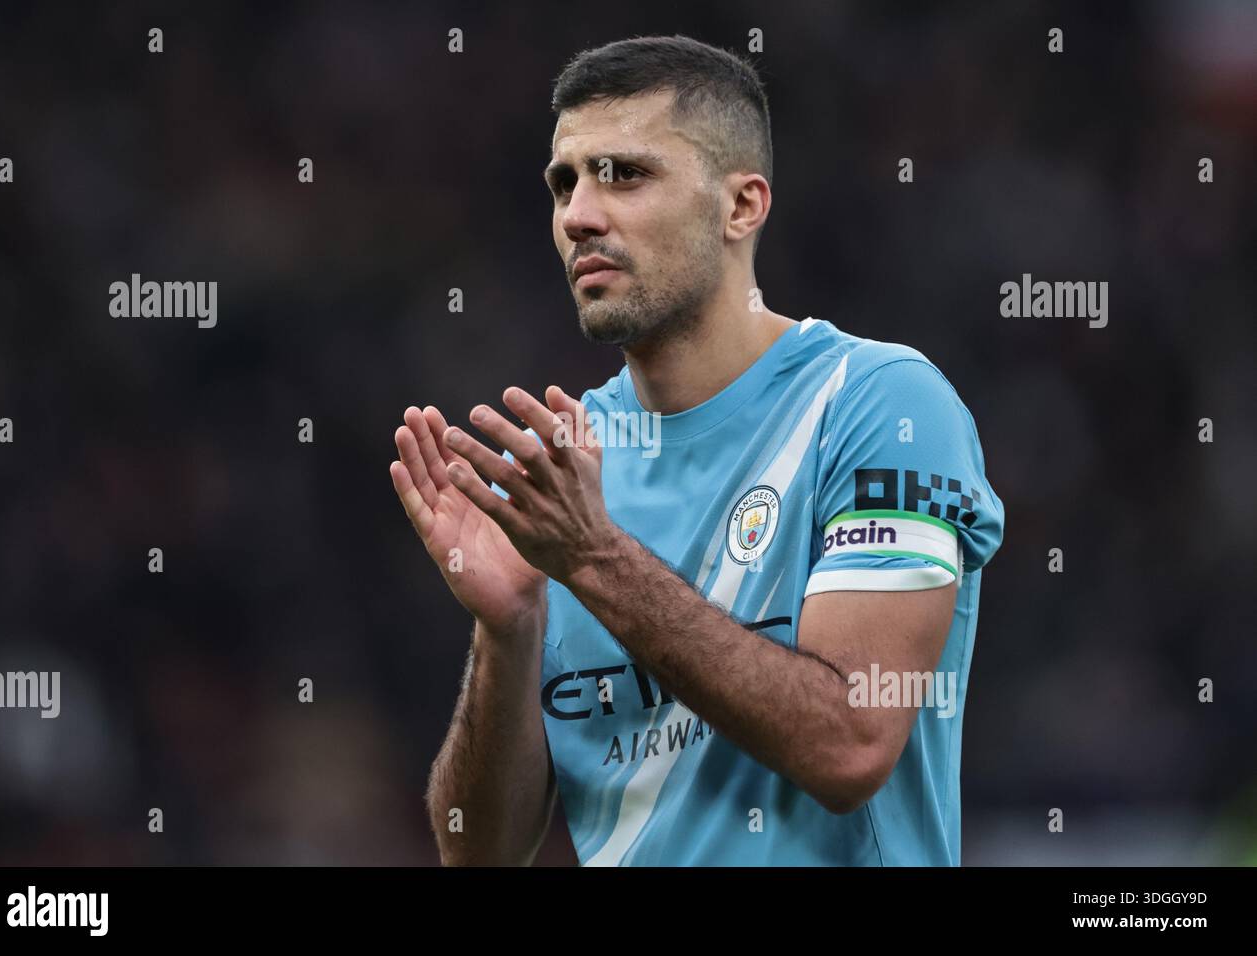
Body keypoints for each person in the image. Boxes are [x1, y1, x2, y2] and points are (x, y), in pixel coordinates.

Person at [390, 35, 1004, 866]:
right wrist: (509, 626)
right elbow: (480, 853)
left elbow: (851, 745)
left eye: (625, 174)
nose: (578, 215)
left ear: (741, 206)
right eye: (563, 183)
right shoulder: (563, 464)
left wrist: (596, 559)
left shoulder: (878, 403)